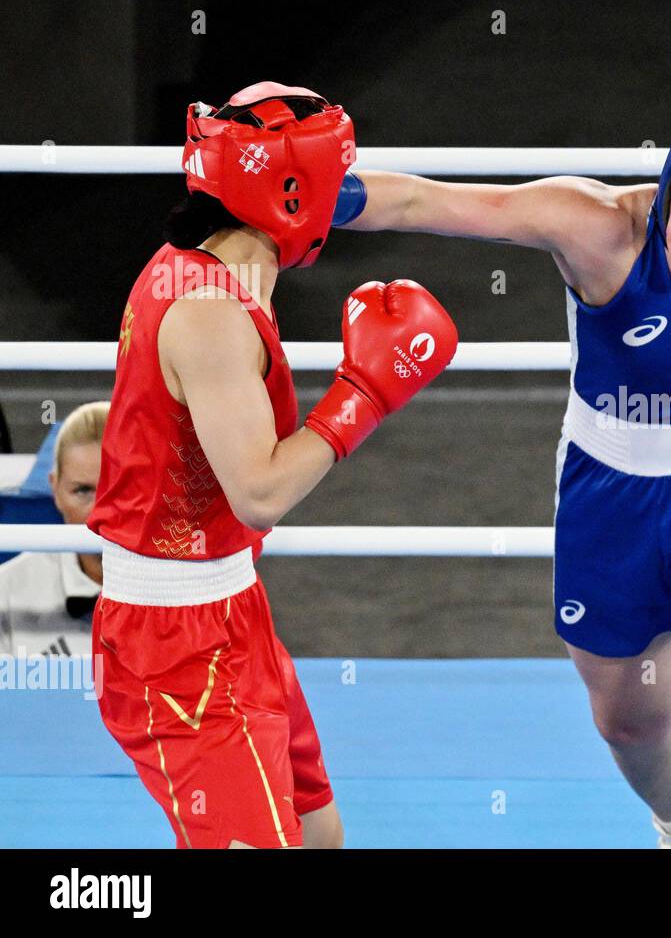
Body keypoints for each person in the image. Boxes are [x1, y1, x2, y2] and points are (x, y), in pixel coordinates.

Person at [336, 92, 671, 847]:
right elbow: (432, 201)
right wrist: (301, 195)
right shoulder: (597, 228)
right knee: (630, 722)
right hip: (607, 497)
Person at [86, 82, 458, 849]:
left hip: (233, 613)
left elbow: (405, 198)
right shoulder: (209, 315)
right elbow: (258, 492)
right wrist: (364, 395)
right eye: (334, 180)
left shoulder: (212, 260)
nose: (346, 196)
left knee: (319, 835)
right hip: (175, 645)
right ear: (292, 195)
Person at [0, 401, 108, 656]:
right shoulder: (6, 590)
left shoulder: (188, 589)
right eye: (83, 491)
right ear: (55, 489)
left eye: (116, 489)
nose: (100, 511)